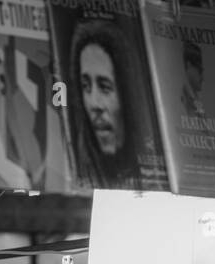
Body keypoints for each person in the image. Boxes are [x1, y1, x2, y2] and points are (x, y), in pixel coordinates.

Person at [67, 18, 161, 189]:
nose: (94, 104)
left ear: (127, 93)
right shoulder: (78, 171)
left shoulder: (154, 170)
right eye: (85, 86)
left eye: (105, 87)